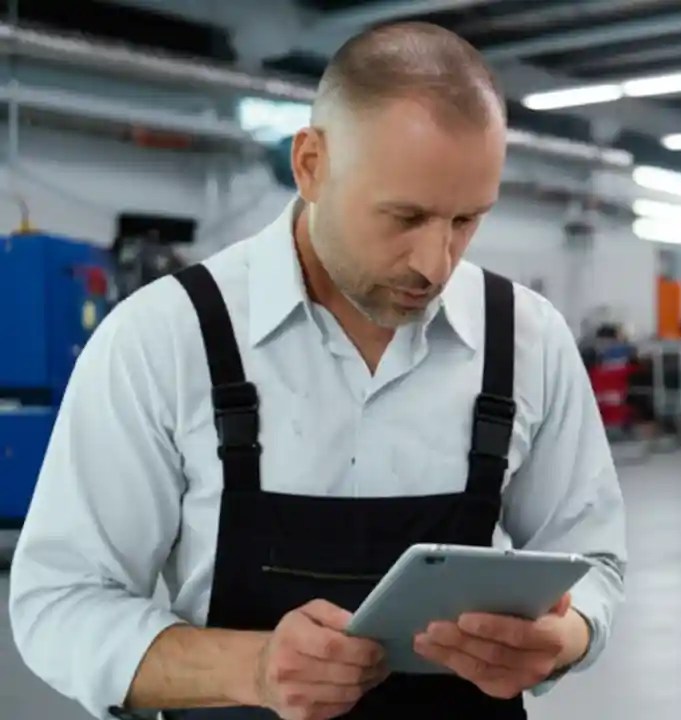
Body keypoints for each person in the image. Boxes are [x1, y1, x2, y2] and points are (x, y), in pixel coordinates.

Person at [8, 21, 626, 720]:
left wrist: (564, 636)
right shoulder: (161, 340)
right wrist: (253, 669)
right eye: (405, 216)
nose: (436, 263)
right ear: (310, 165)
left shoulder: (529, 340)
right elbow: (59, 604)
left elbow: (593, 559)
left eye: (466, 221)